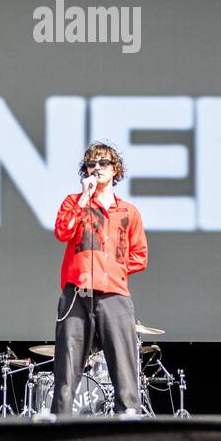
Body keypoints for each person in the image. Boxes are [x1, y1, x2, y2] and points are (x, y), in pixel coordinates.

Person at [51, 143, 149, 415]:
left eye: (103, 163)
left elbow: (140, 255)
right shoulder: (74, 202)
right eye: (91, 164)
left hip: (114, 297)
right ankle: (58, 436)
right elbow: (62, 232)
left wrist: (113, 269)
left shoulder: (128, 212)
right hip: (77, 296)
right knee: (66, 374)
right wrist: (84, 197)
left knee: (125, 375)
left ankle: (126, 438)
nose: (97, 168)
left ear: (115, 168)